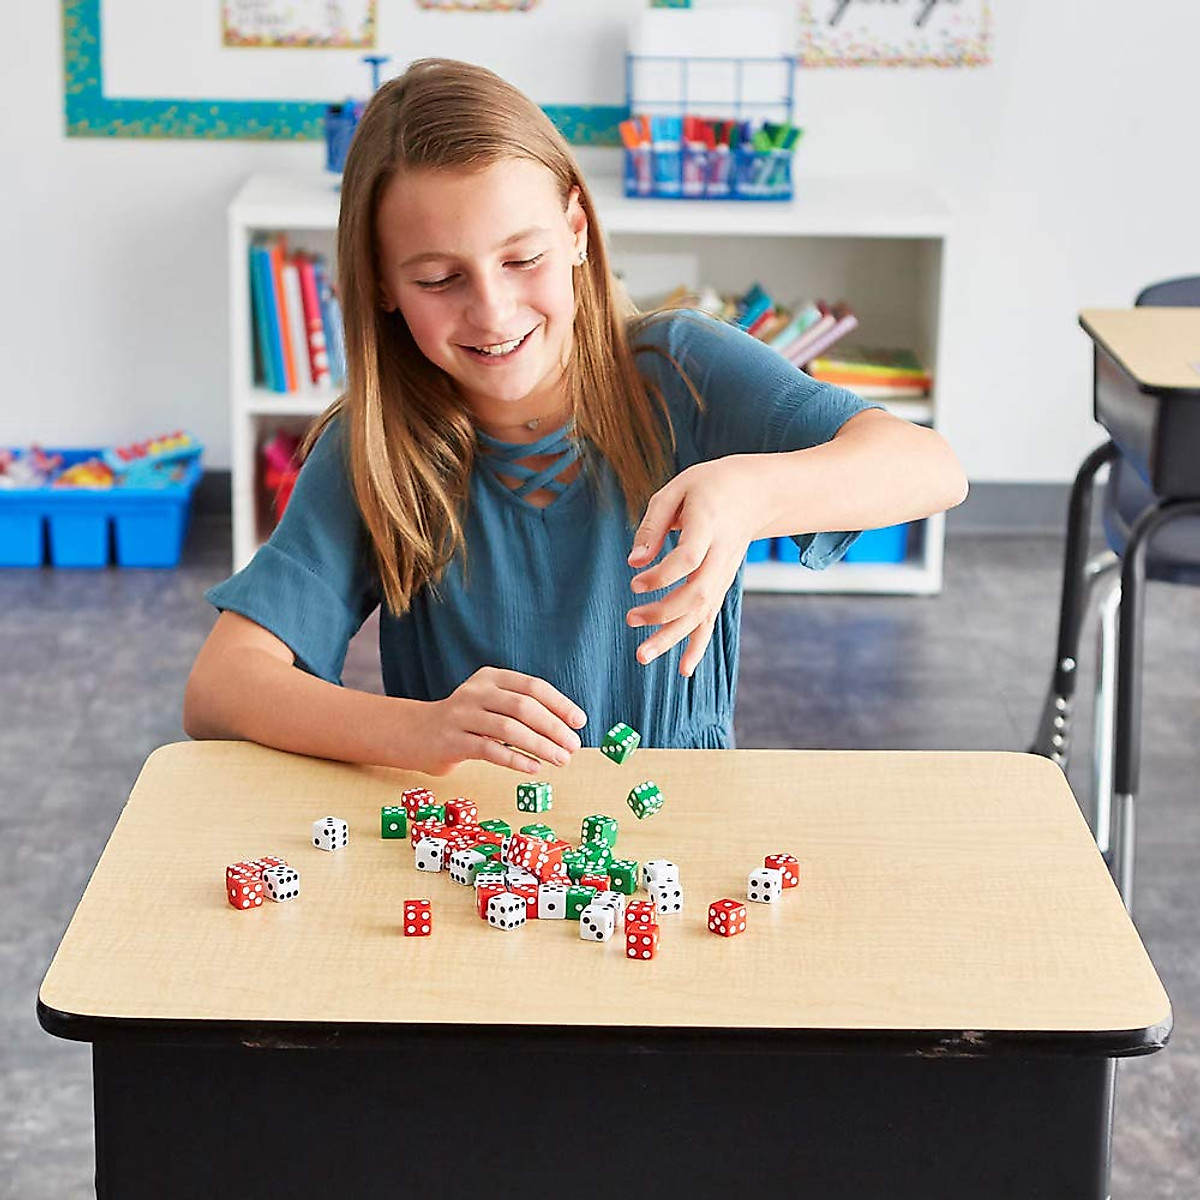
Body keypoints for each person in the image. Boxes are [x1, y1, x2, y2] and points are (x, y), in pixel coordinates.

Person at [184, 57, 967, 777]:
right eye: (438, 277)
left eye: (522, 259)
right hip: (476, 853)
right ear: (384, 286)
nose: (491, 310)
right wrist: (418, 732)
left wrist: (755, 491)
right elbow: (222, 686)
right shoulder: (376, 447)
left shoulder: (682, 370)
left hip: (676, 837)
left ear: (577, 232)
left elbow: (931, 469)